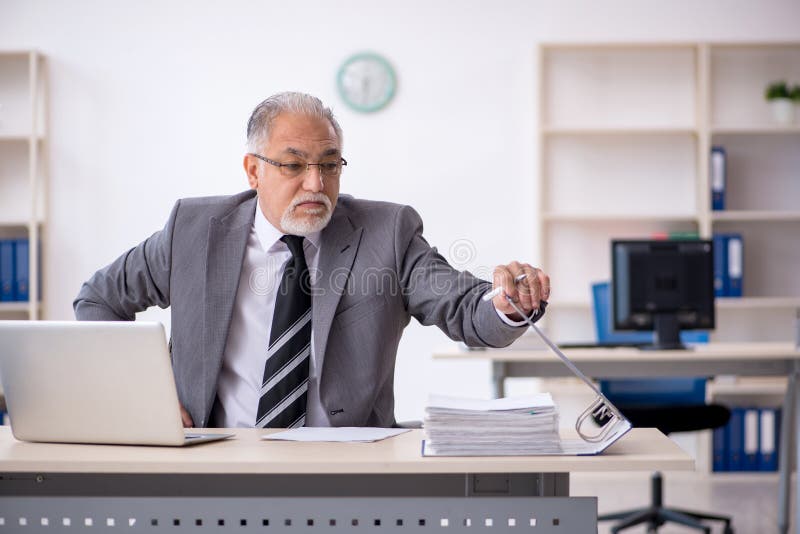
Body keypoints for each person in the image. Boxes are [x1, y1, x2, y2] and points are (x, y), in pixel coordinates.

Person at [74, 92, 550, 429]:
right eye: (294, 164)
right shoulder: (194, 230)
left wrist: (507, 301)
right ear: (253, 170)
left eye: (329, 163)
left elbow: (467, 309)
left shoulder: (388, 232)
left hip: (348, 467)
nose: (315, 184)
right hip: (218, 457)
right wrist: (145, 395)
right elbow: (98, 299)